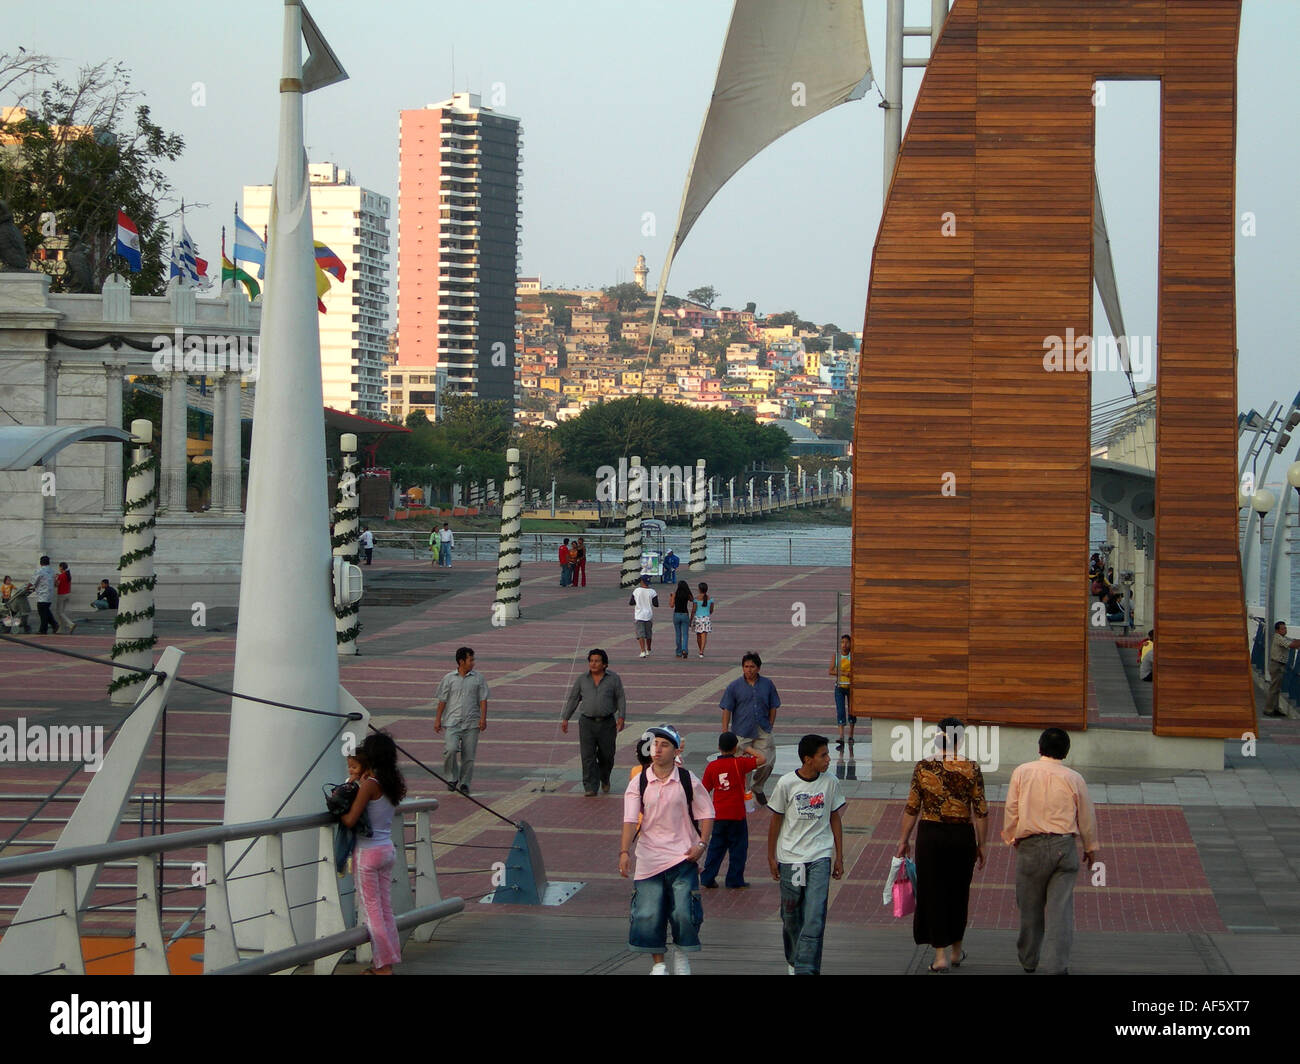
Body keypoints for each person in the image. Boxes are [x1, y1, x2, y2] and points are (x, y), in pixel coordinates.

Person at [1002, 727, 1099, 975]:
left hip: (1030, 846)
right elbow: (1086, 817)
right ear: (1066, 751)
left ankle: (1028, 960)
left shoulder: (1022, 772)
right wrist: (1090, 847)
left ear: (1039, 747)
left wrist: (1011, 836)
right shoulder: (1074, 778)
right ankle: (1057, 966)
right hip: (1063, 847)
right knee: (1061, 912)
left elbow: (1012, 809)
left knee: (1029, 908)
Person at [619, 724, 715, 975]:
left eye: (664, 745)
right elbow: (630, 820)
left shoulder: (687, 779)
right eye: (654, 744)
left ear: (675, 751)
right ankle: (659, 964)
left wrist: (701, 845)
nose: (657, 749)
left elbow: (707, 812)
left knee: (684, 912)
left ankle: (682, 954)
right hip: (649, 858)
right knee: (649, 913)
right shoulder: (639, 781)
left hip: (683, 856)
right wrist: (624, 852)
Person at [896, 717, 988, 972]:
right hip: (962, 836)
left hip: (931, 835)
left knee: (933, 893)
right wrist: (982, 844)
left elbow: (912, 807)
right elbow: (980, 811)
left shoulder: (924, 767)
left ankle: (940, 956)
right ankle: (957, 950)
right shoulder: (971, 768)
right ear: (961, 739)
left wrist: (903, 840)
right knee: (959, 892)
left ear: (937, 736)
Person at [767, 733, 845, 975]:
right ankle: (794, 961)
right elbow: (776, 820)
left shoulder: (831, 782)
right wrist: (772, 857)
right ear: (807, 759)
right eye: (823, 755)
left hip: (819, 856)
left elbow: (834, 817)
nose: (828, 759)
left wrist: (839, 855)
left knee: (814, 915)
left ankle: (806, 969)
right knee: (791, 915)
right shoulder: (787, 783)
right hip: (791, 858)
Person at [341, 731, 407, 975]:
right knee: (386, 909)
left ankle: (383, 966)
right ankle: (389, 958)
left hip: (368, 854)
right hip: (387, 850)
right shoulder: (392, 782)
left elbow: (350, 819)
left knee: (372, 912)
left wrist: (337, 806)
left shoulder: (368, 785)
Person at [700, 731, 763, 889]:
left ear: (718, 748)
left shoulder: (712, 766)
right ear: (735, 748)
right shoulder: (740, 763)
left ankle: (708, 877)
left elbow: (703, 791)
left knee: (716, 847)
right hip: (737, 814)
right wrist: (747, 749)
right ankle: (734, 879)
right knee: (738, 848)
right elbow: (762, 759)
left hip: (719, 814)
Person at [561, 648, 627, 796]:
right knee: (587, 756)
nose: (593, 664)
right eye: (591, 661)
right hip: (586, 723)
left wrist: (621, 717)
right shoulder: (582, 679)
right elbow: (573, 699)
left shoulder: (614, 679)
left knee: (607, 755)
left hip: (607, 723)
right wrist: (566, 718)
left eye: (597, 661)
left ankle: (605, 778)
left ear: (604, 664)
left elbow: (620, 698)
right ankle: (590, 786)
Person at [720, 651, 780, 805]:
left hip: (762, 728)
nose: (749, 670)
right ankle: (744, 793)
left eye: (752, 666)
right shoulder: (734, 686)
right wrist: (725, 731)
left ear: (758, 668)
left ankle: (758, 787)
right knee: (741, 765)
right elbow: (727, 708)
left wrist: (770, 724)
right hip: (741, 731)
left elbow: (774, 706)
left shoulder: (768, 684)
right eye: (746, 666)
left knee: (768, 761)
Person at [434, 646, 489, 795]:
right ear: (461, 661)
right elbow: (442, 700)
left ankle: (465, 783)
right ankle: (452, 778)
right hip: (452, 722)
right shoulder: (449, 678)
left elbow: (483, 699)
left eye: (473, 659)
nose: (473, 662)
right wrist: (438, 719)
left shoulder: (478, 678)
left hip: (472, 723)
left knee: (468, 756)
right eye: (470, 659)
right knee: (450, 750)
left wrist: (483, 719)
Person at [1266, 621, 1300, 718]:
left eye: (1285, 628)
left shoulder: (1282, 637)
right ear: (1277, 630)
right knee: (1274, 689)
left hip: (1279, 665)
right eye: (1283, 628)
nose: (1285, 630)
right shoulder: (1278, 638)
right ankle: (1269, 710)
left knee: (1277, 689)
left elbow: (1292, 642)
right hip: (1276, 665)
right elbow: (1291, 645)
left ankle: (1275, 708)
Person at [829, 634, 855, 747]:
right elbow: (831, 671)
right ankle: (841, 736)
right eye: (842, 642)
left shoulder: (852, 656)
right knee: (840, 711)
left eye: (847, 642)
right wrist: (843, 673)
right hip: (840, 687)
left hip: (851, 687)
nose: (844, 645)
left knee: (852, 711)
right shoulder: (837, 656)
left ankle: (851, 735)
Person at [630, 573, 658, 657]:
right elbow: (656, 604)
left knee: (640, 634)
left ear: (642, 581)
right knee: (648, 633)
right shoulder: (653, 592)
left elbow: (631, 602)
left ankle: (642, 651)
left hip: (639, 615)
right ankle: (648, 649)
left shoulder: (636, 591)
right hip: (648, 615)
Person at [30, 556, 57, 635]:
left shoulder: (40, 571)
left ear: (41, 562)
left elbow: (32, 581)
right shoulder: (52, 571)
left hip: (42, 594)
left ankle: (43, 629)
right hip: (49, 594)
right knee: (46, 611)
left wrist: (27, 588)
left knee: (42, 613)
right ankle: (54, 624)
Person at [670, 580, 695, 659]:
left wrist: (671, 597)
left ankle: (678, 652)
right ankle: (684, 649)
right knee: (685, 634)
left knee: (678, 634)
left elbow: (671, 605)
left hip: (676, 614)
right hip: (685, 614)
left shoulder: (675, 594)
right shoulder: (687, 594)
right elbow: (692, 600)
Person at [692, 581, 715, 657]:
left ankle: (700, 649)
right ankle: (701, 651)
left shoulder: (696, 599)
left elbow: (694, 610)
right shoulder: (710, 599)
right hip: (706, 618)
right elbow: (711, 610)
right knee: (704, 635)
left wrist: (690, 619)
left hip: (698, 618)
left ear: (699, 589)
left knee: (698, 635)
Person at [53, 562, 75, 634]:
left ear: (61, 567)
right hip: (67, 594)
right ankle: (61, 628)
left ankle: (70, 624)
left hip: (61, 594)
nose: (59, 568)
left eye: (59, 567)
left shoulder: (61, 576)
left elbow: (56, 585)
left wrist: (55, 579)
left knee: (59, 612)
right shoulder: (68, 575)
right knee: (61, 612)